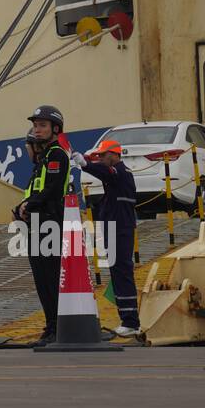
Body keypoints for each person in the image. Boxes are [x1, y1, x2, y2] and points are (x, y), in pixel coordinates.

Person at [12, 105, 70, 344]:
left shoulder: (57, 154)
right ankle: (50, 326)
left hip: (50, 222)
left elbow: (53, 189)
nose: (37, 129)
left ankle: (57, 328)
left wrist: (30, 205)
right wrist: (21, 209)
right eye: (35, 125)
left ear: (56, 129)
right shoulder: (43, 157)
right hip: (37, 222)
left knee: (50, 276)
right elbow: (36, 190)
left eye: (42, 125)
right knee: (40, 278)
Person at [79, 139, 140, 337]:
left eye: (104, 155)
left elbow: (105, 172)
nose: (102, 159)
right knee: (118, 272)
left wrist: (85, 164)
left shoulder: (119, 172)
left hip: (119, 230)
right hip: (117, 229)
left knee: (121, 273)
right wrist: (88, 159)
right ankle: (128, 320)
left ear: (114, 154)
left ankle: (130, 322)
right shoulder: (118, 175)